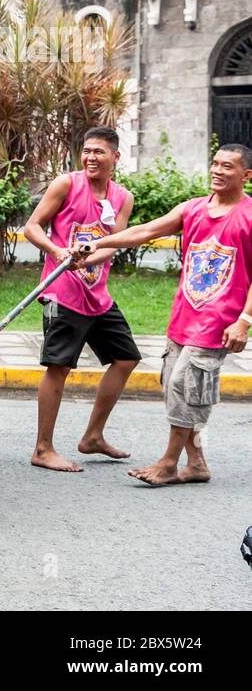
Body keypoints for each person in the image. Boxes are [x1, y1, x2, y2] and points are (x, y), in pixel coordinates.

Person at [79, 143, 252, 487]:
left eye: (227, 166)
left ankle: (169, 462)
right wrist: (98, 244)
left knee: (186, 387)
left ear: (246, 175)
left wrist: (244, 321)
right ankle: (197, 463)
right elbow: (146, 231)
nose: (217, 170)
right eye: (215, 163)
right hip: (183, 317)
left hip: (220, 323)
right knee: (176, 390)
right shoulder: (193, 209)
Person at [21, 127, 139, 473]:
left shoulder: (122, 197)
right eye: (87, 151)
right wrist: (58, 251)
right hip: (63, 291)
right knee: (59, 366)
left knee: (126, 358)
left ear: (115, 158)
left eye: (99, 152)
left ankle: (93, 436)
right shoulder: (67, 184)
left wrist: (92, 257)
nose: (91, 157)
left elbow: (115, 242)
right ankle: (43, 448)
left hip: (98, 294)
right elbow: (32, 227)